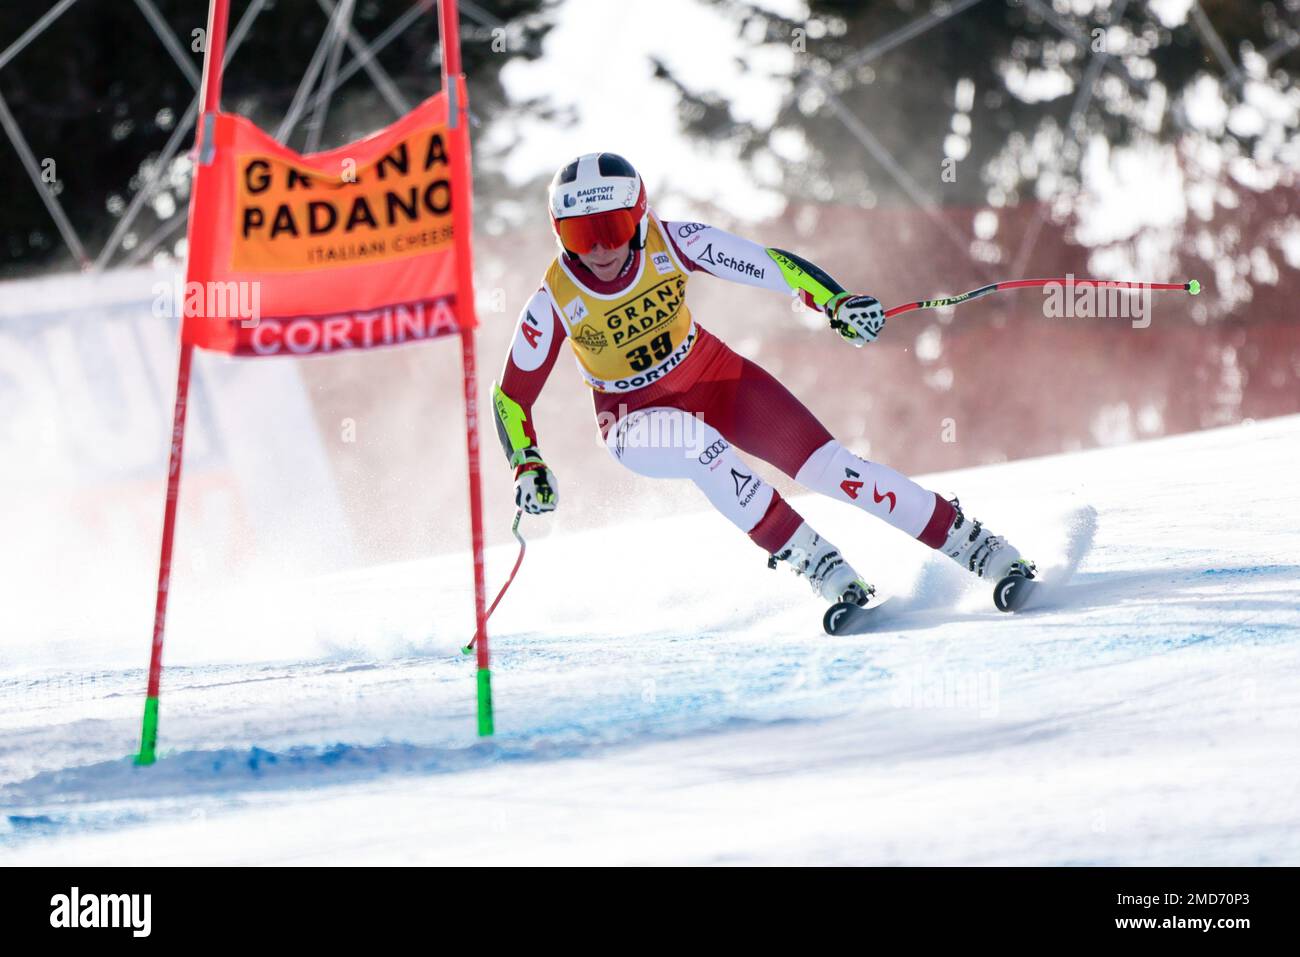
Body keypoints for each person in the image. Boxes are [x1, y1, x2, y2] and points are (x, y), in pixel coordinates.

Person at [491, 152, 1031, 609]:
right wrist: (527, 463)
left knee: (834, 470)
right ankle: (817, 563)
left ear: (638, 216)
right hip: (632, 420)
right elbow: (511, 396)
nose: (600, 250)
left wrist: (836, 301)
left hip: (717, 378)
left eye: (611, 229)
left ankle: (974, 544)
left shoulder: (675, 241)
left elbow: (769, 265)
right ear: (559, 234)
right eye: (582, 235)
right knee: (702, 448)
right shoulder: (554, 300)